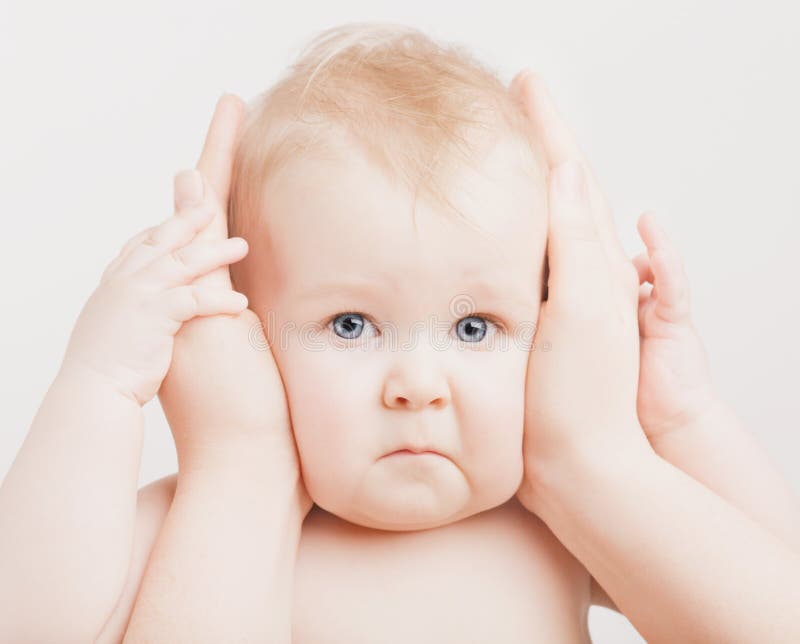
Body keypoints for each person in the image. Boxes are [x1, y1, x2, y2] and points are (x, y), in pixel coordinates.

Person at [2, 23, 799, 644]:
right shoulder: (197, 515)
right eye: (351, 325)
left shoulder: (554, 522)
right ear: (246, 331)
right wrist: (100, 383)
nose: (418, 384)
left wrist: (679, 417)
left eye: (475, 326)